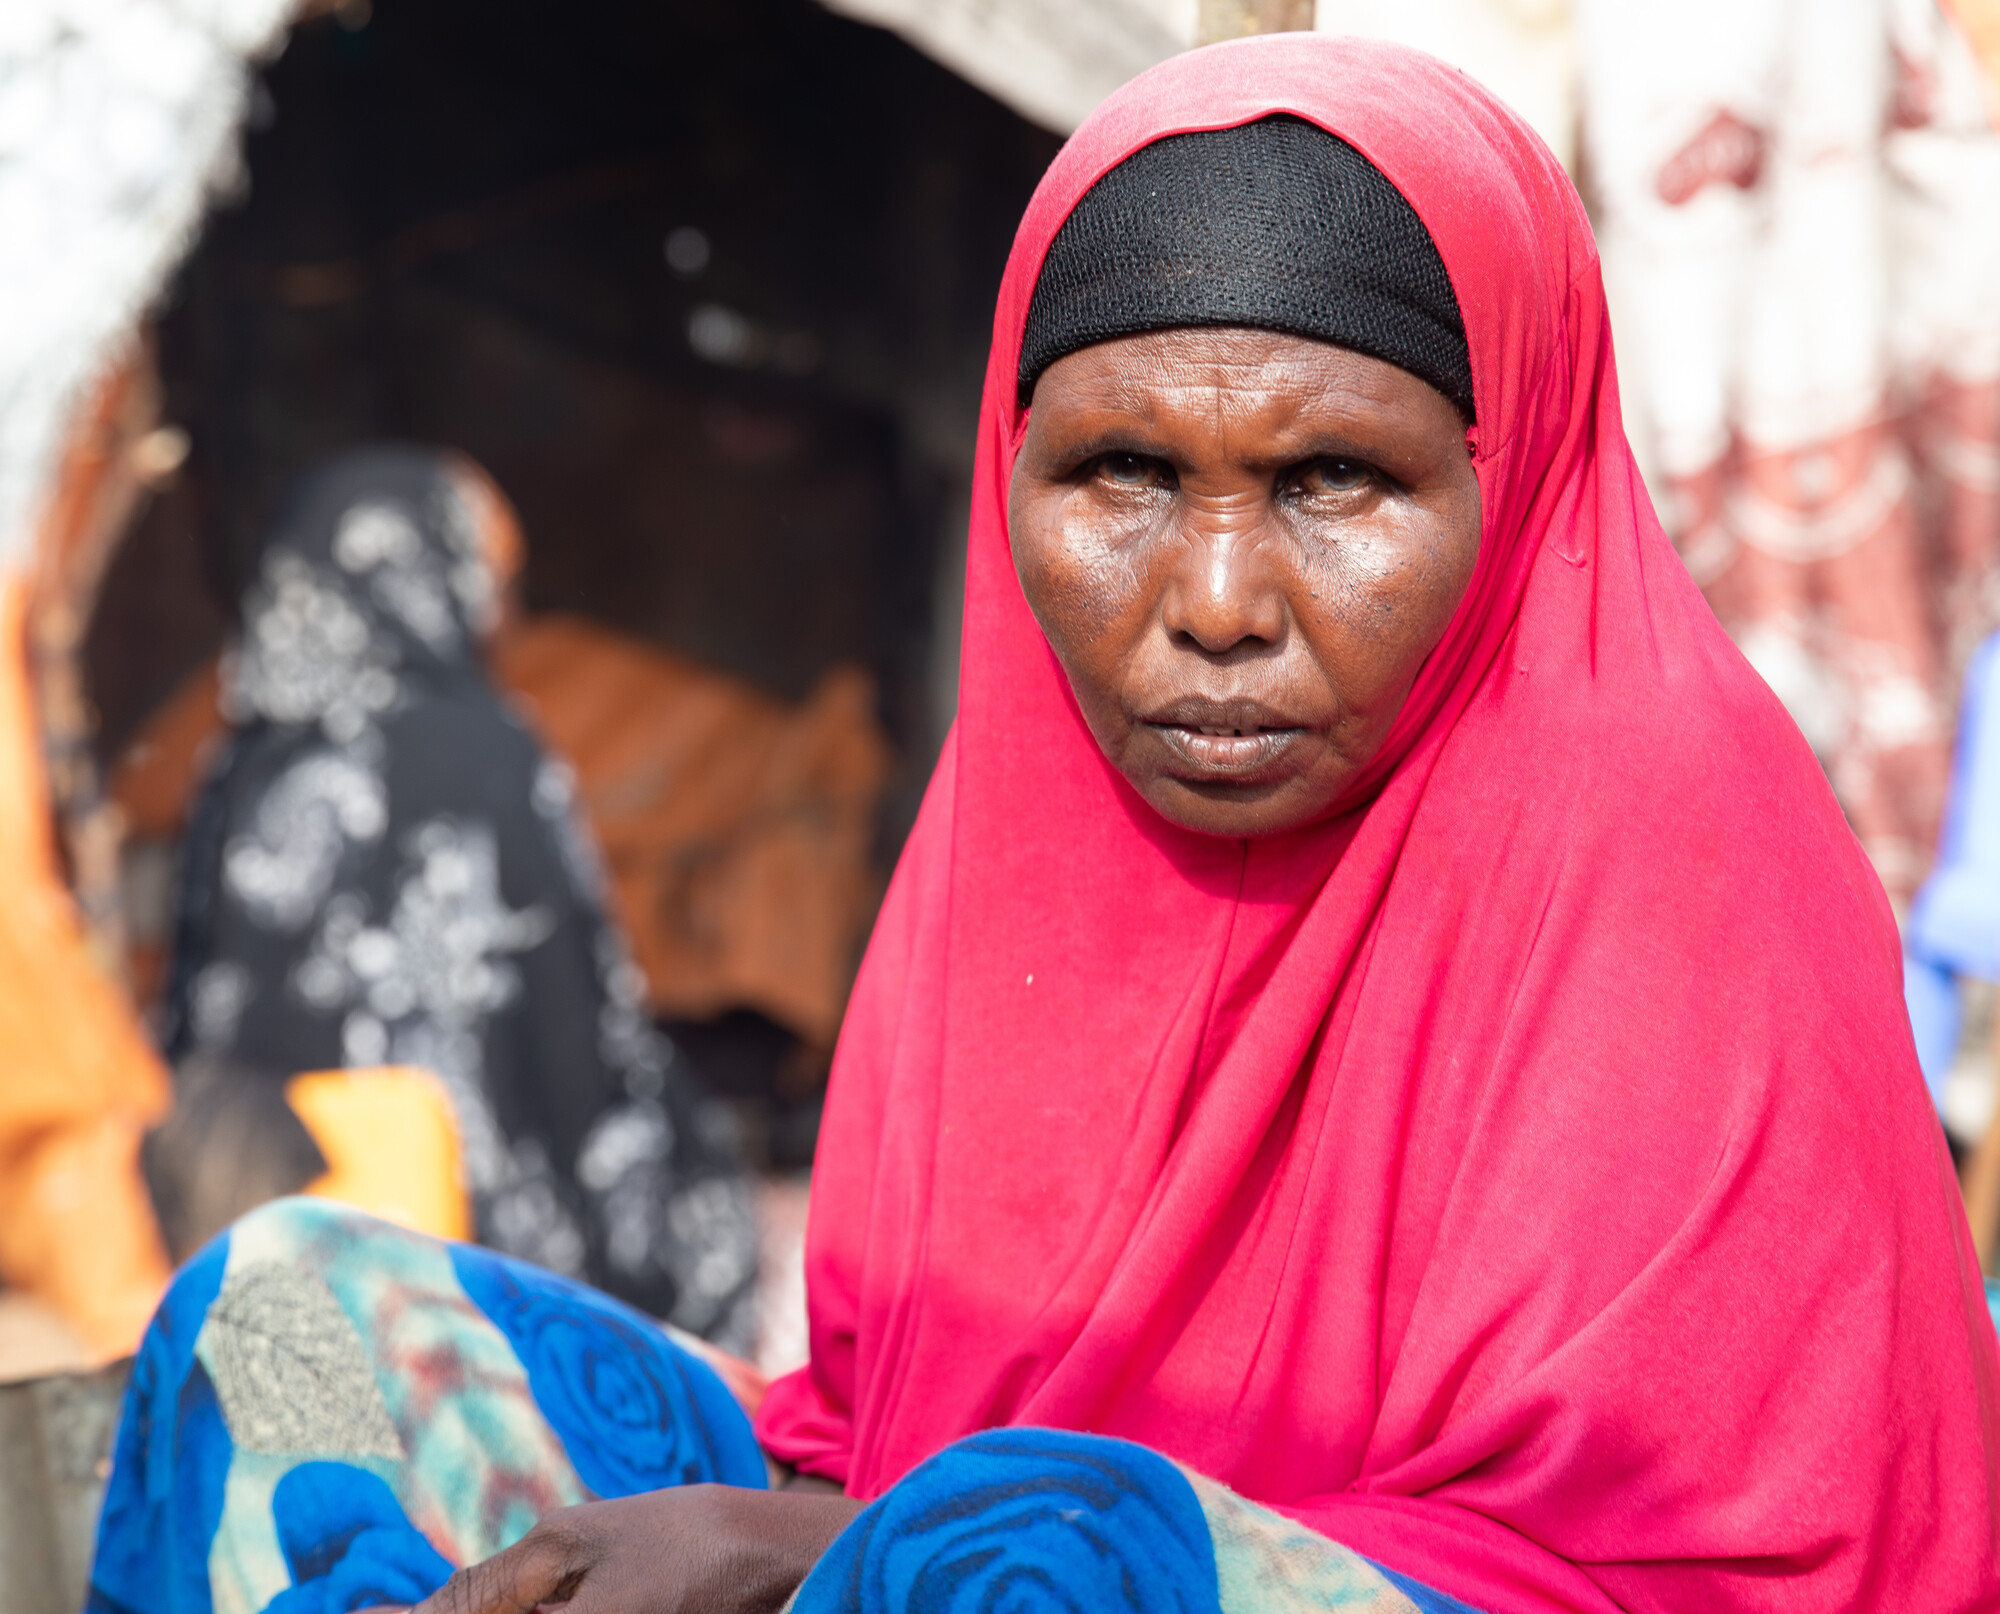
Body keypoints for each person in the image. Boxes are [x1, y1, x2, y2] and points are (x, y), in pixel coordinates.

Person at [88, 34, 1999, 1614]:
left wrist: (858, 1545)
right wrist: (842, 1527)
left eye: (1337, 475)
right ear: (1013, 477)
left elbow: (1711, 1568)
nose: (1223, 598)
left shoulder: (1657, 838)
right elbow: (876, 1423)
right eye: (1122, 475)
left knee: (1038, 1555)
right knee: (287, 1315)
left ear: (1511, 480)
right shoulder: (1027, 833)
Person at [155, 446, 757, 1344]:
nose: (502, 615)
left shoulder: (233, 766)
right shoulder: (484, 752)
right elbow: (574, 1033)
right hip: (452, 1259)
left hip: (259, 1254)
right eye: (496, 583)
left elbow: (192, 1014)